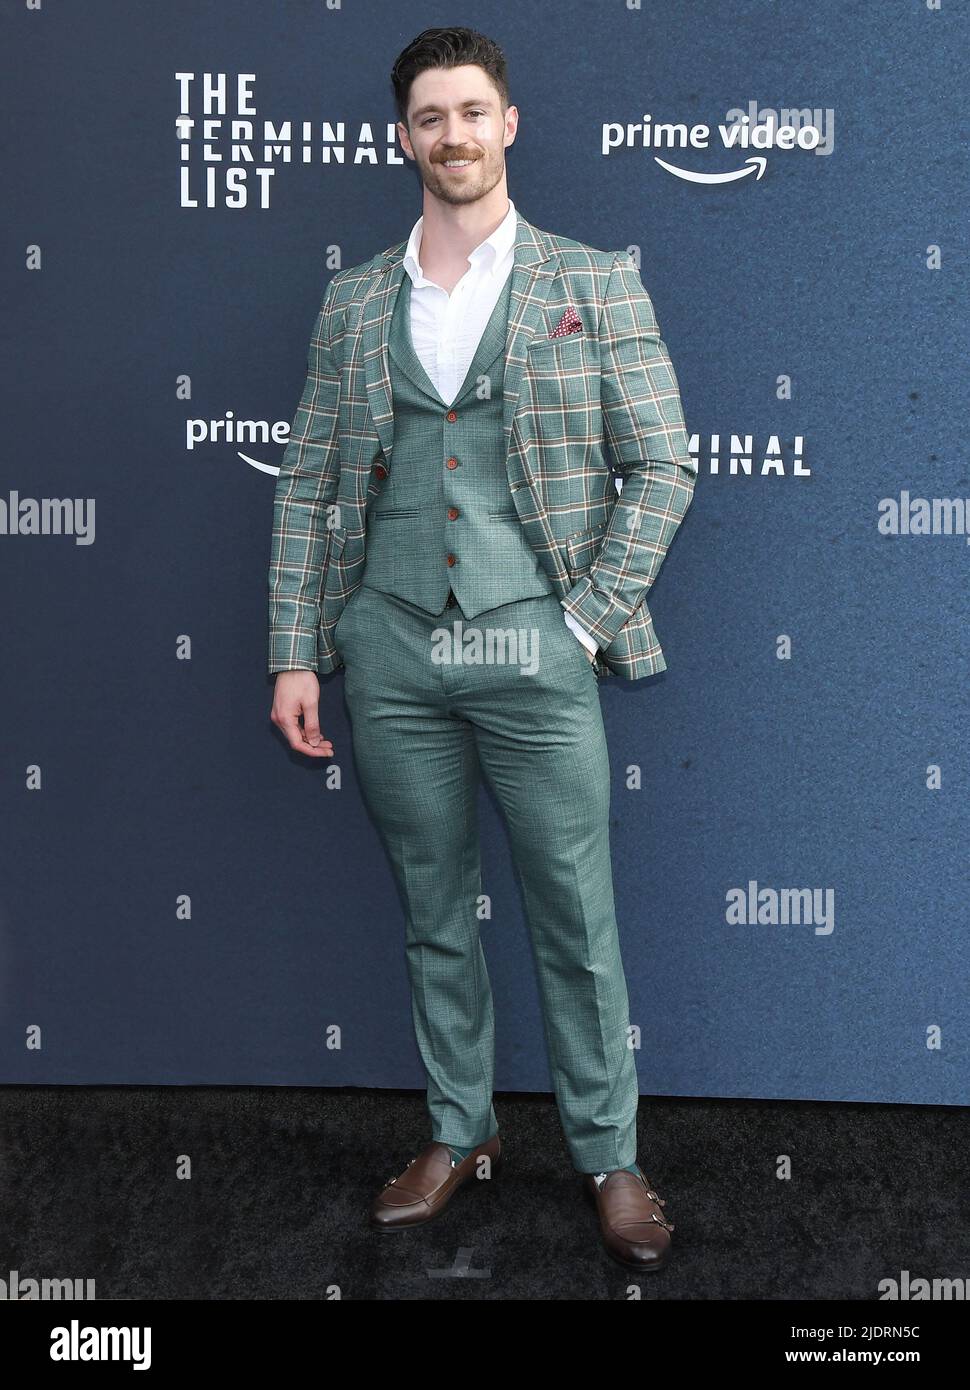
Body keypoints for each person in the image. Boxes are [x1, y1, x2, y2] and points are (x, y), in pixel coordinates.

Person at [267, 26, 695, 1272]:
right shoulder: (354, 298)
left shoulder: (591, 281)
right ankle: (459, 1130)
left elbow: (660, 468)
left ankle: (609, 1156)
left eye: (471, 111)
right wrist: (301, 647)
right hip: (389, 650)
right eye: (427, 118)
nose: (451, 134)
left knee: (575, 916)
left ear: (508, 123)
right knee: (432, 911)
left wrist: (579, 623)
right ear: (403, 138)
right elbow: (306, 483)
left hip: (537, 651)